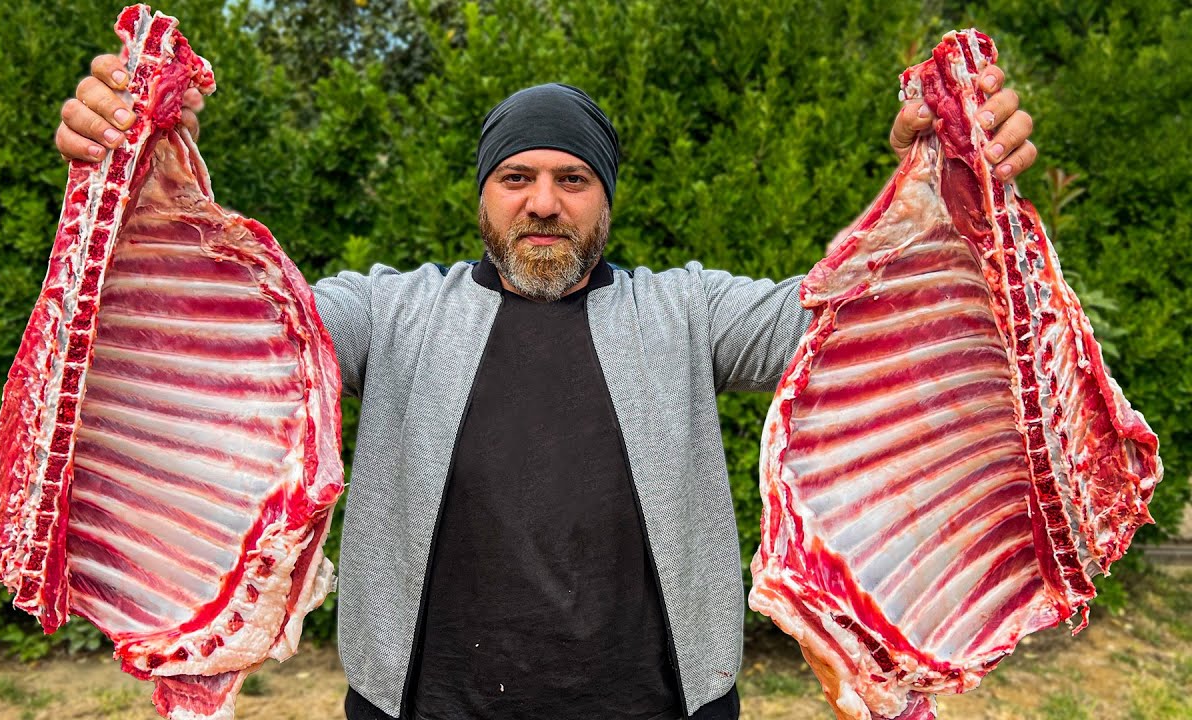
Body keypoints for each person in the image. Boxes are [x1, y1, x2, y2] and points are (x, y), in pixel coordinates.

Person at [56, 53, 1035, 720]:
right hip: (424, 705)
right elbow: (240, 338)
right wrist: (129, 183)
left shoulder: (684, 309)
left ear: (605, 199)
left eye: (573, 178)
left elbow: (852, 324)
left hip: (658, 704)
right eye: (516, 175)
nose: (542, 200)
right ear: (481, 193)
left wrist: (950, 181)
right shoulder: (392, 310)